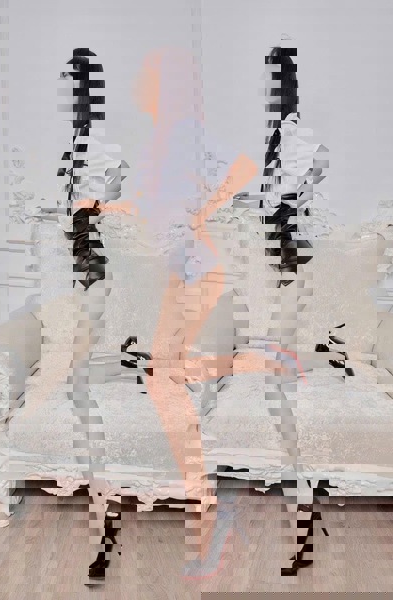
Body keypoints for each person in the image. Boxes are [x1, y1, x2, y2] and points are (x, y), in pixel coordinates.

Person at [57, 48, 127, 582]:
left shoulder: (105, 159)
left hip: (104, 280)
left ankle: (106, 525)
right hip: (87, 282)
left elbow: (111, 216)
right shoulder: (75, 159)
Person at [261, 41, 329, 576]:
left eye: (278, 83)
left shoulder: (302, 141)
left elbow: (309, 178)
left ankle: (304, 523)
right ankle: (302, 514)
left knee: (293, 393)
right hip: (281, 271)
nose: (272, 94)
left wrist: (290, 199)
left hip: (296, 270)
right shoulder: (277, 142)